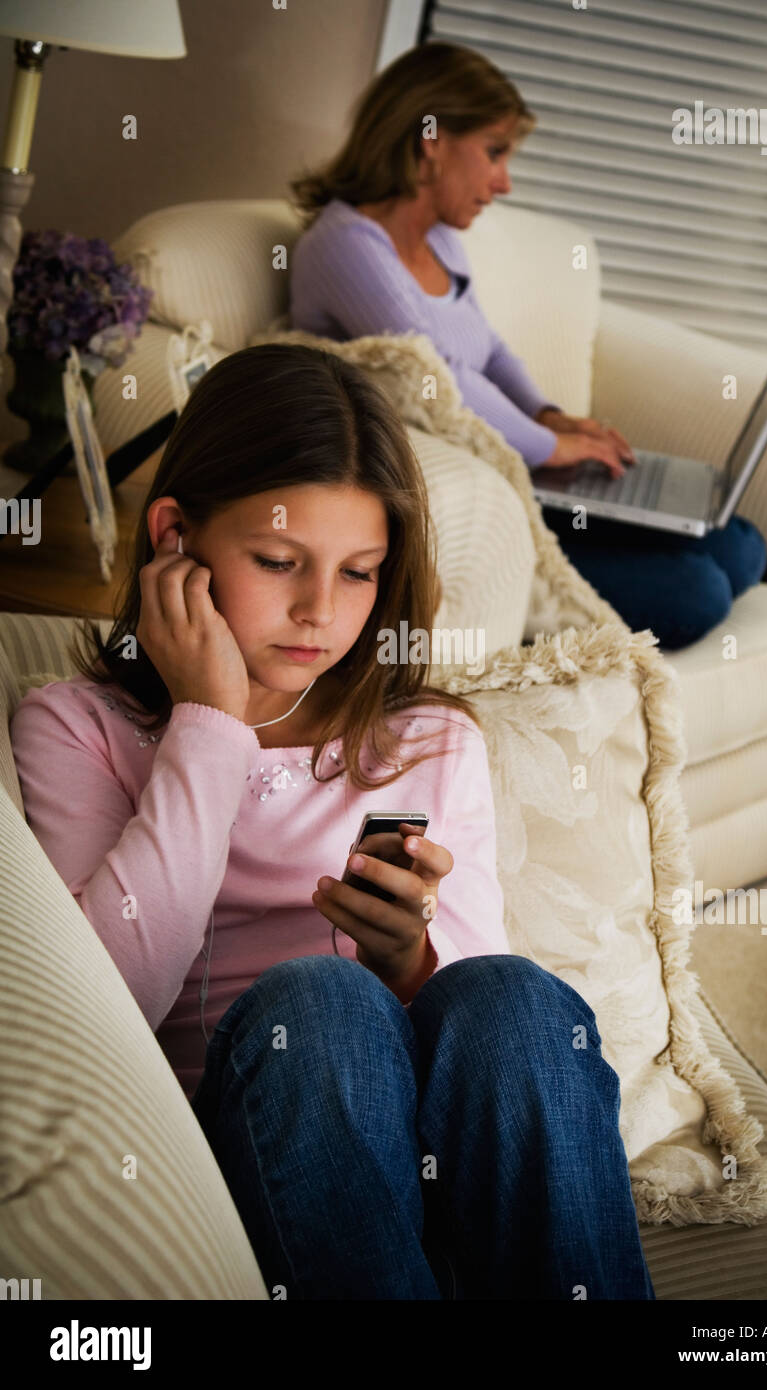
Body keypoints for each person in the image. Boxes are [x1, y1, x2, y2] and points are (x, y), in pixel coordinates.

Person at [10, 344, 654, 1301]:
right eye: (279, 563)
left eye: (358, 574)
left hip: (436, 1165)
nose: (319, 611)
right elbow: (105, 1007)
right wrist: (209, 723)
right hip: (263, 1153)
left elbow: (476, 1022)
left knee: (513, 995)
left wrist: (408, 961)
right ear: (174, 538)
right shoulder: (80, 728)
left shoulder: (428, 736)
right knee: (320, 1002)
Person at [288, 41, 767, 651]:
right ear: (431, 140)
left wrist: (549, 416)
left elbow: (488, 349)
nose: (504, 183)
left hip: (522, 479)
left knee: (742, 544)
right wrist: (550, 447)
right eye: (494, 152)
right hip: (487, 510)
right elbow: (439, 374)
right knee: (700, 591)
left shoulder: (439, 241)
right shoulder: (345, 246)